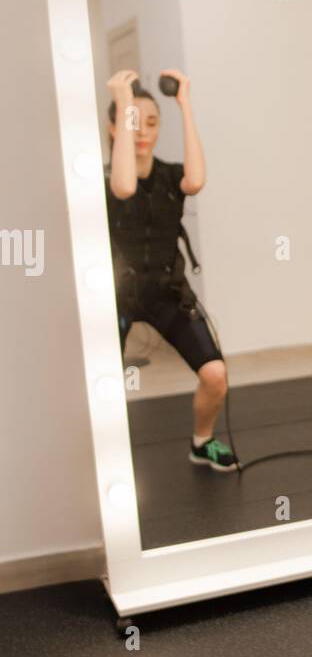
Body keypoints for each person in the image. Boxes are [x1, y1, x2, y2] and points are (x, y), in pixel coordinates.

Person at [105, 69, 238, 471]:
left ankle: (202, 442)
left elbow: (196, 179)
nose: (143, 130)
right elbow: (125, 186)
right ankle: (104, 460)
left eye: (151, 122)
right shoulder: (108, 177)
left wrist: (184, 104)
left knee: (215, 373)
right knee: (100, 388)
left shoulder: (169, 176)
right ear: (114, 128)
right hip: (116, 295)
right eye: (131, 122)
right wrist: (125, 102)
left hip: (167, 290)